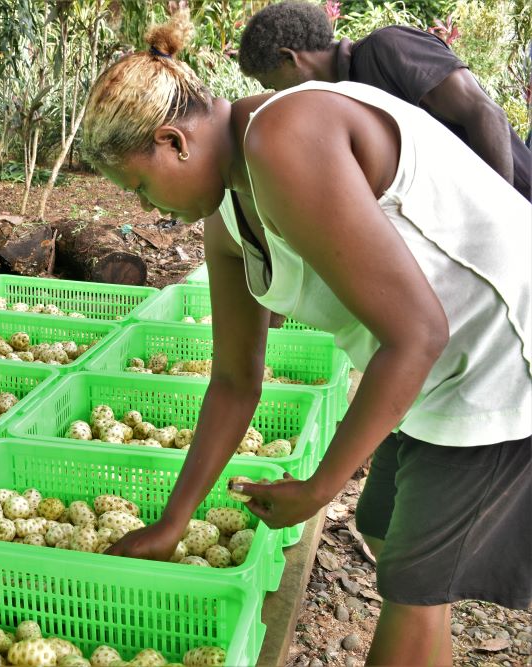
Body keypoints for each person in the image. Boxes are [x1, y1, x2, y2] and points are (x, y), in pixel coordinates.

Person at [82, 4, 531, 665]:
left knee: (411, 585)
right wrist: (172, 523)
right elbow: (235, 379)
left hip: (502, 350)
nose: (151, 210)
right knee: (387, 537)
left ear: (175, 142)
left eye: (142, 188)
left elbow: (418, 331)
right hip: (440, 366)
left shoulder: (284, 135)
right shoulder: (227, 215)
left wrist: (320, 486)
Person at [236, 0, 531, 201]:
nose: (279, 96)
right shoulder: (343, 100)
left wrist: (502, 218)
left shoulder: (386, 48)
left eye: (274, 85)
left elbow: (485, 113)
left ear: (290, 59)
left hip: (518, 205)